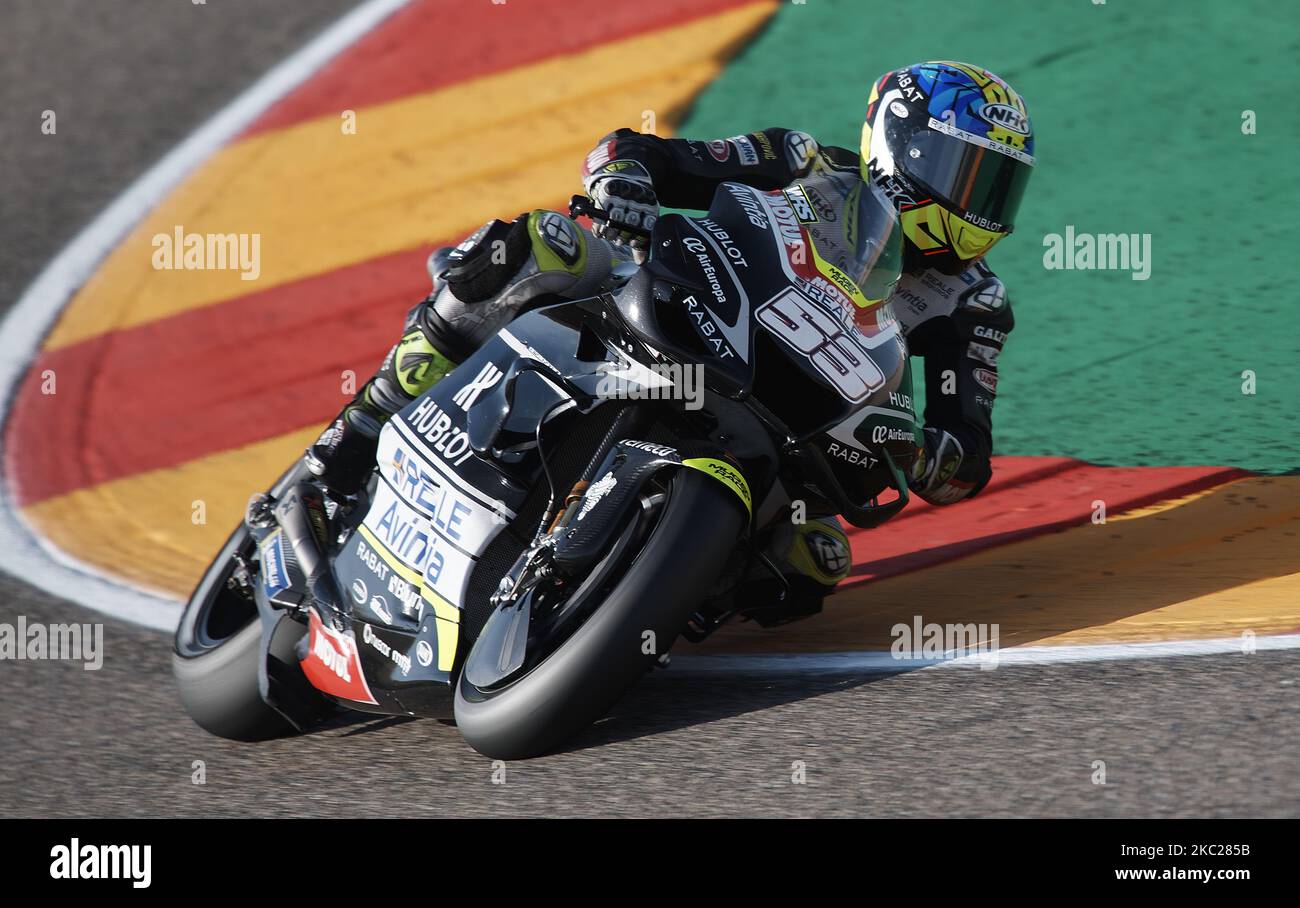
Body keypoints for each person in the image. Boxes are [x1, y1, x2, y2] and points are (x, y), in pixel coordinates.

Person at [304, 60, 1034, 620]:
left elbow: (967, 439)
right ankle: (362, 424)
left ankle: (631, 597)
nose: (977, 205)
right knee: (542, 245)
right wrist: (625, 180)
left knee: (812, 565)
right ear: (900, 148)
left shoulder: (973, 300)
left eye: (997, 187)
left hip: (804, 430)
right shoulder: (806, 162)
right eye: (965, 173)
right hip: (689, 314)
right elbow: (650, 155)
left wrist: (937, 456)